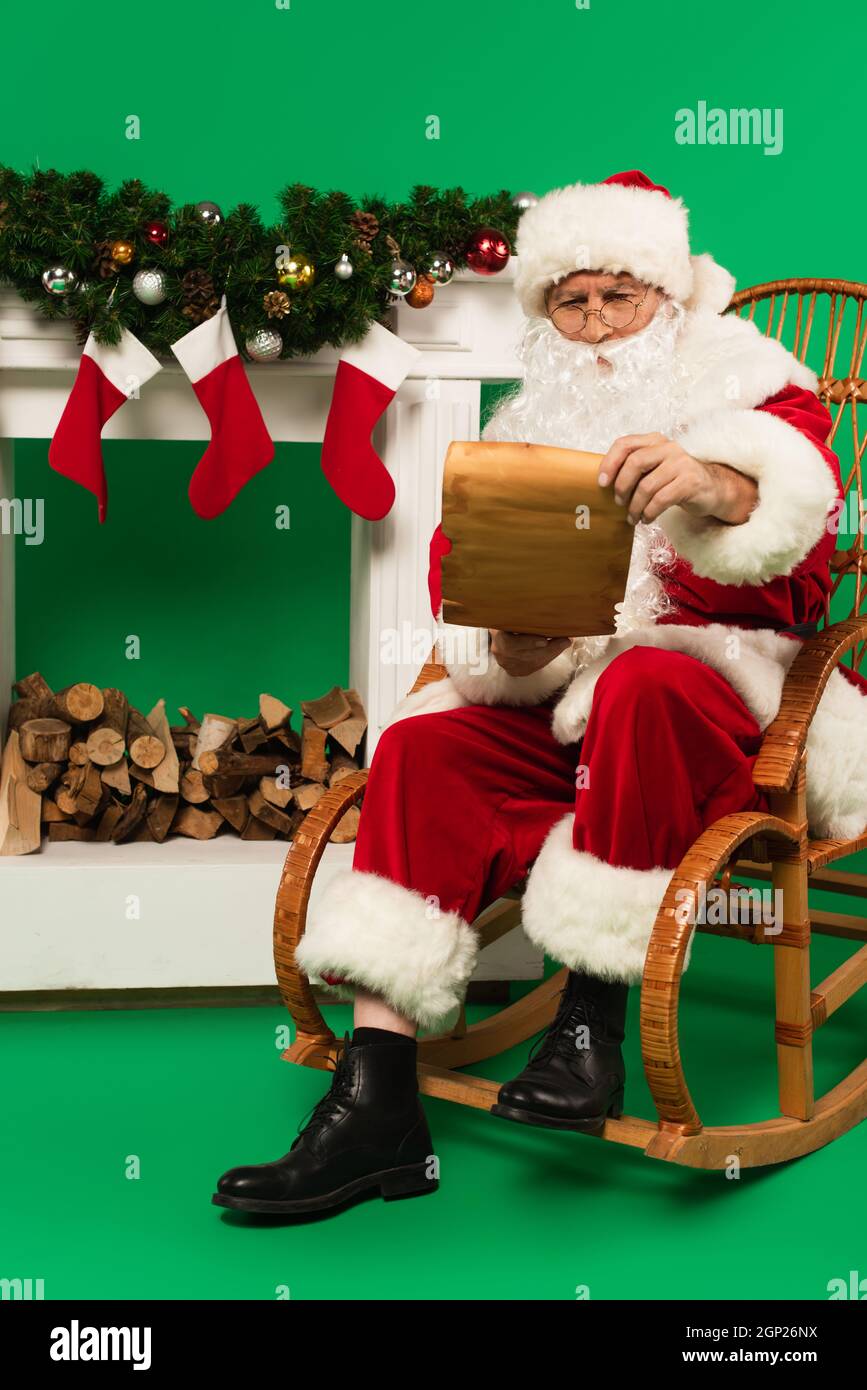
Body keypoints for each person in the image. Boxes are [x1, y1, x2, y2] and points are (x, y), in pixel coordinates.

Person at [213, 170, 867, 1217]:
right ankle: (376, 1100)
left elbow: (803, 562)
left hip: (713, 713)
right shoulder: (530, 418)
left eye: (621, 293)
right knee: (425, 745)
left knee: (645, 678)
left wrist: (713, 487)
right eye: (572, 299)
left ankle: (590, 1027)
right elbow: (458, 577)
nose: (598, 322)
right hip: (567, 708)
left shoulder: (751, 383)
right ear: (546, 312)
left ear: (668, 291)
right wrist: (510, 637)